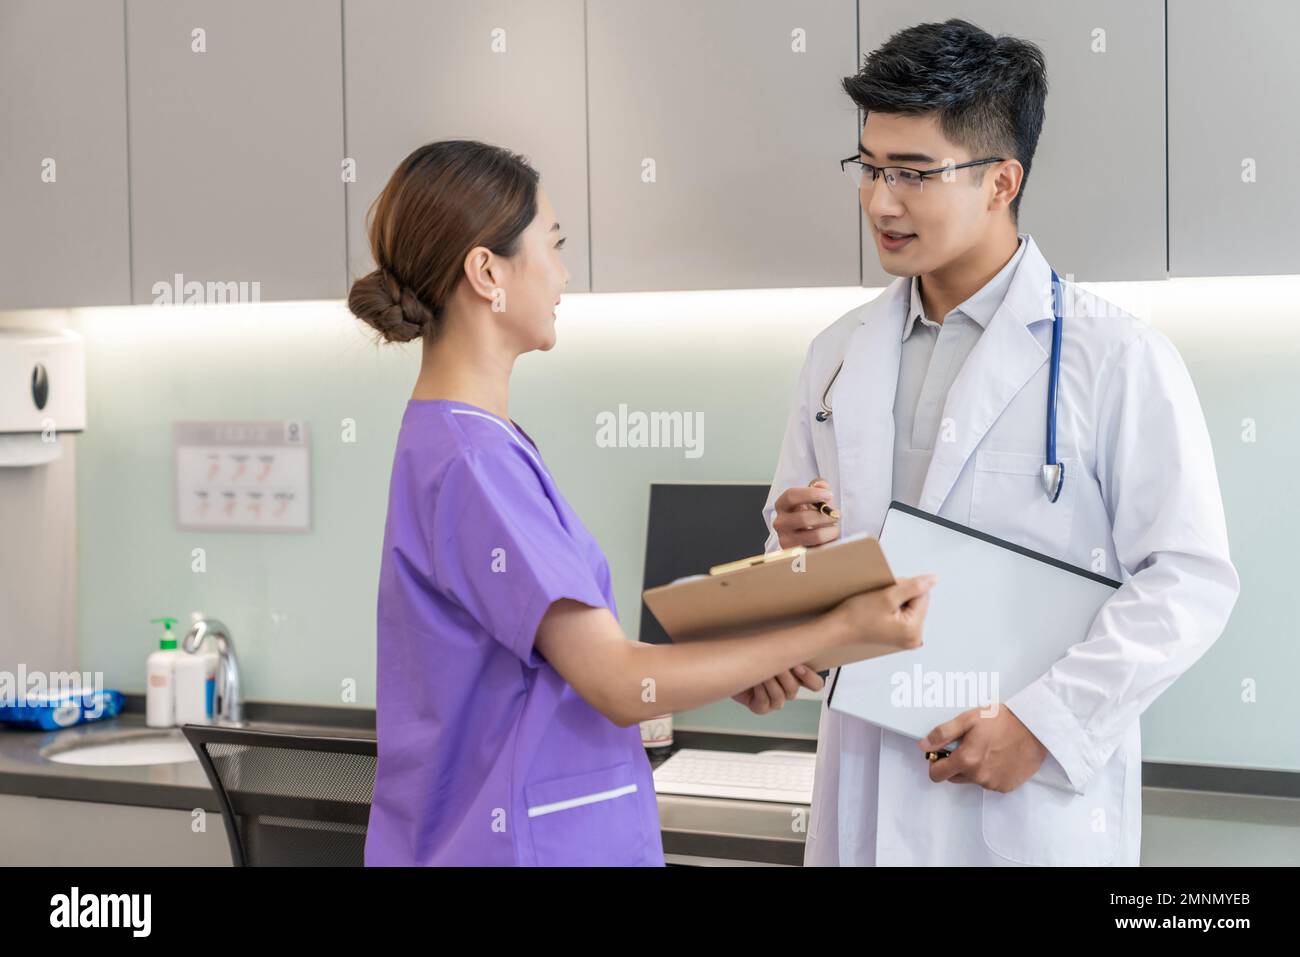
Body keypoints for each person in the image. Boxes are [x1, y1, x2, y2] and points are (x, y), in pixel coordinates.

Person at [351, 140, 936, 866]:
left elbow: (586, 673)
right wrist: (837, 627)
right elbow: (622, 683)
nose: (564, 273)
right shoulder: (476, 462)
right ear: (487, 271)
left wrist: (741, 657)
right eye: (553, 245)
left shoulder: (451, 440)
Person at [755, 19, 1239, 866]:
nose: (879, 201)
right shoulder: (835, 357)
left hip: (1024, 810)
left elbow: (1190, 579)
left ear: (1000, 181)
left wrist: (1044, 725)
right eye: (868, 169)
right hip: (863, 794)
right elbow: (800, 565)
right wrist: (793, 558)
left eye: (911, 173)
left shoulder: (1113, 357)